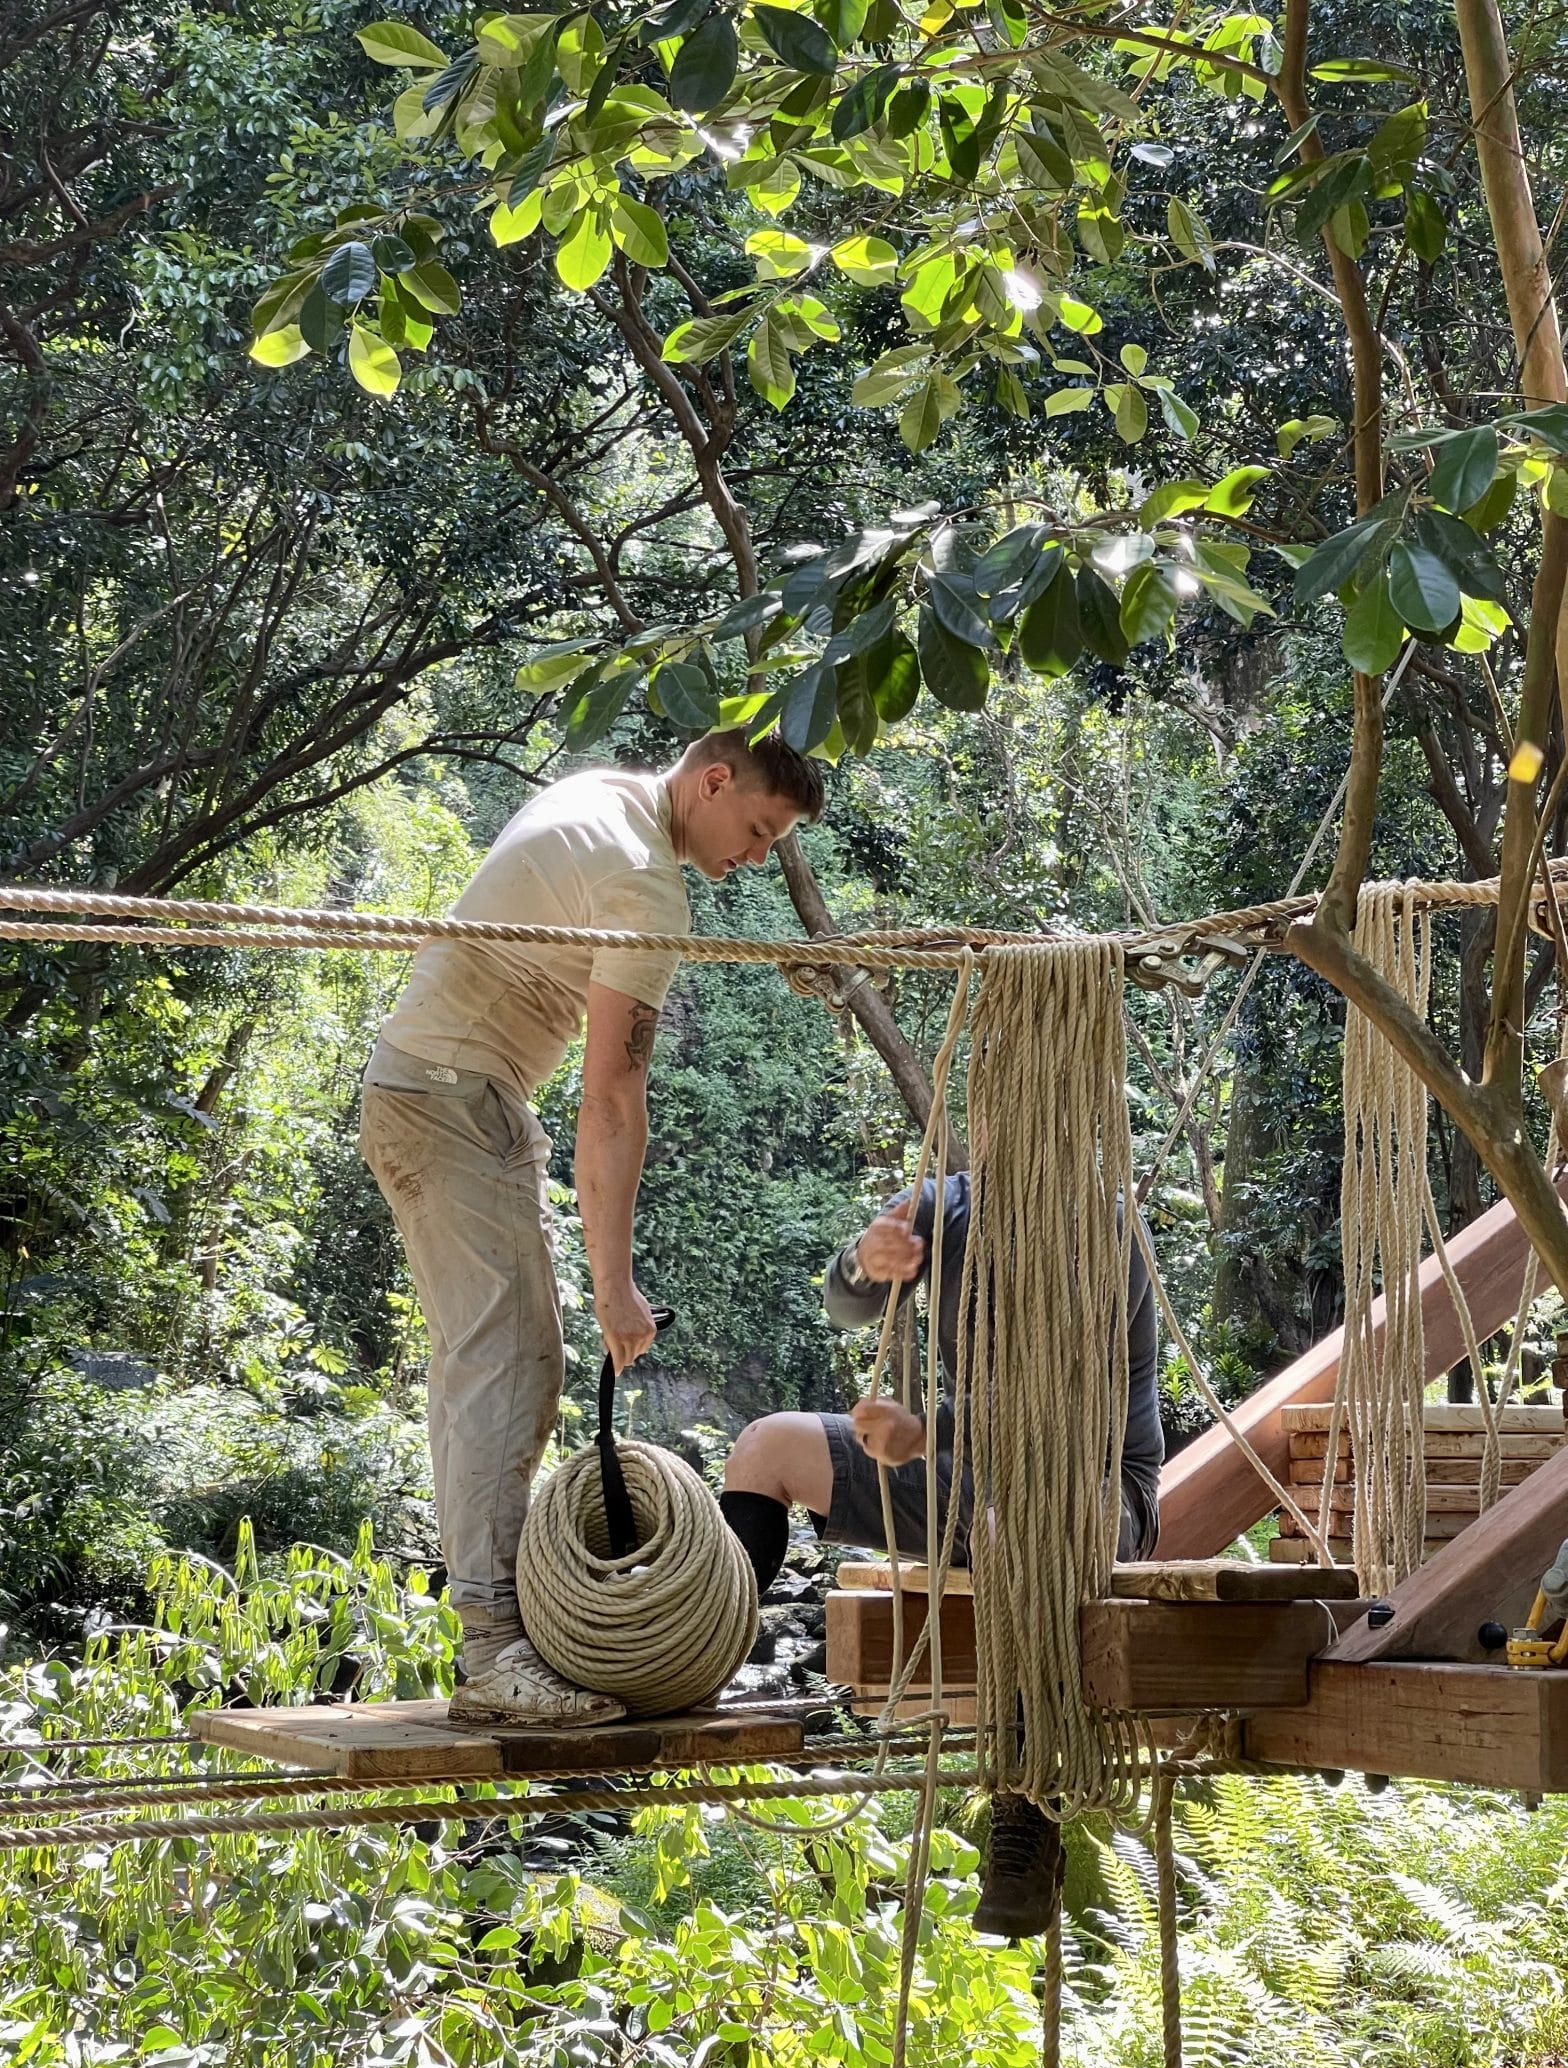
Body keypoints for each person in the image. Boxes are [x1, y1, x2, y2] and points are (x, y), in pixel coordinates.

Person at [361, 729, 823, 1726]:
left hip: (430, 1089)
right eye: (754, 829)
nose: (750, 859)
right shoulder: (647, 887)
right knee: (512, 1363)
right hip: (450, 1096)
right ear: (710, 780)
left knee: (481, 1361)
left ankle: (489, 1632)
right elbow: (611, 1100)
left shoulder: (600, 792)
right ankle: (492, 1654)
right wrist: (614, 1289)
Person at [720, 1173, 1164, 1935]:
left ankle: (1025, 1807)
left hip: (1095, 1486)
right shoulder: (947, 1202)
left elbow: (1057, 1411)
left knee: (1003, 1523)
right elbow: (844, 1303)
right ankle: (695, 1657)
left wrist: (924, 1431)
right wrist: (866, 1259)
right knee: (766, 1448)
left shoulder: (1105, 1222)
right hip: (966, 1472)